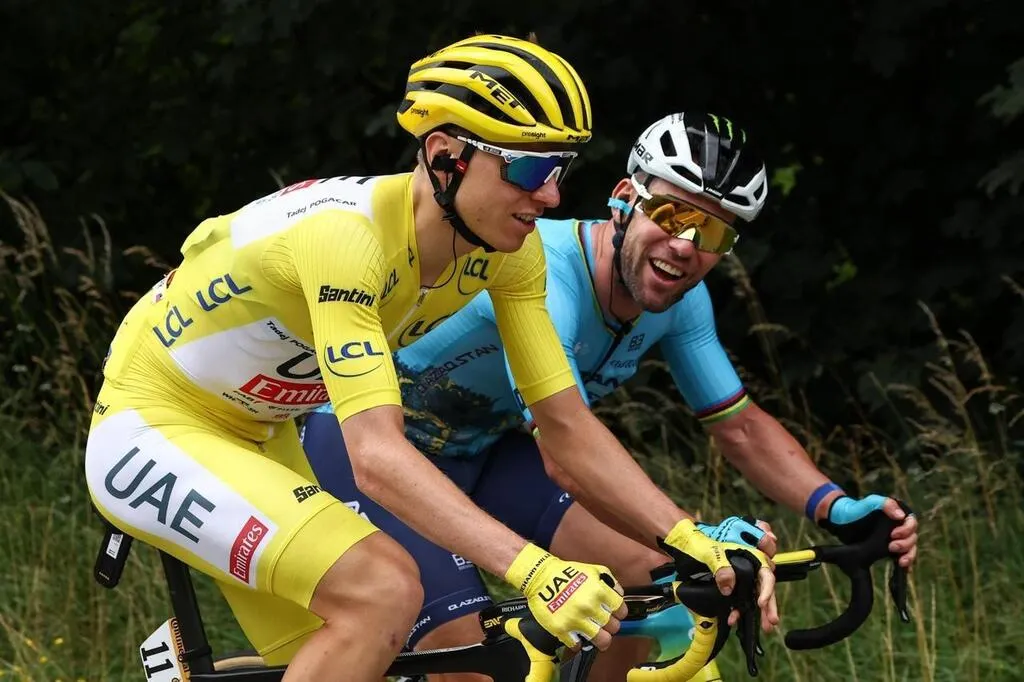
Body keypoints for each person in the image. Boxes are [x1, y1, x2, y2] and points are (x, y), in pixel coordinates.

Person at [83, 30, 775, 682]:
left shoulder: (510, 253)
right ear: (446, 155)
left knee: (375, 656)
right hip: (153, 425)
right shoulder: (345, 242)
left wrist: (688, 538)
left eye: (561, 168)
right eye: (530, 167)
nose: (551, 195)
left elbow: (564, 428)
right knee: (384, 590)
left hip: (259, 431)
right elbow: (377, 457)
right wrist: (538, 571)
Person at [301, 111, 919, 681]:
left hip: (485, 453)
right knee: (473, 654)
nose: (686, 246)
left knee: (653, 587)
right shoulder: (549, 274)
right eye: (675, 216)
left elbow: (740, 426)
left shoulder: (681, 303)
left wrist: (835, 508)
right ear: (625, 199)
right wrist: (690, 533)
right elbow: (564, 447)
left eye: (713, 233)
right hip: (373, 450)